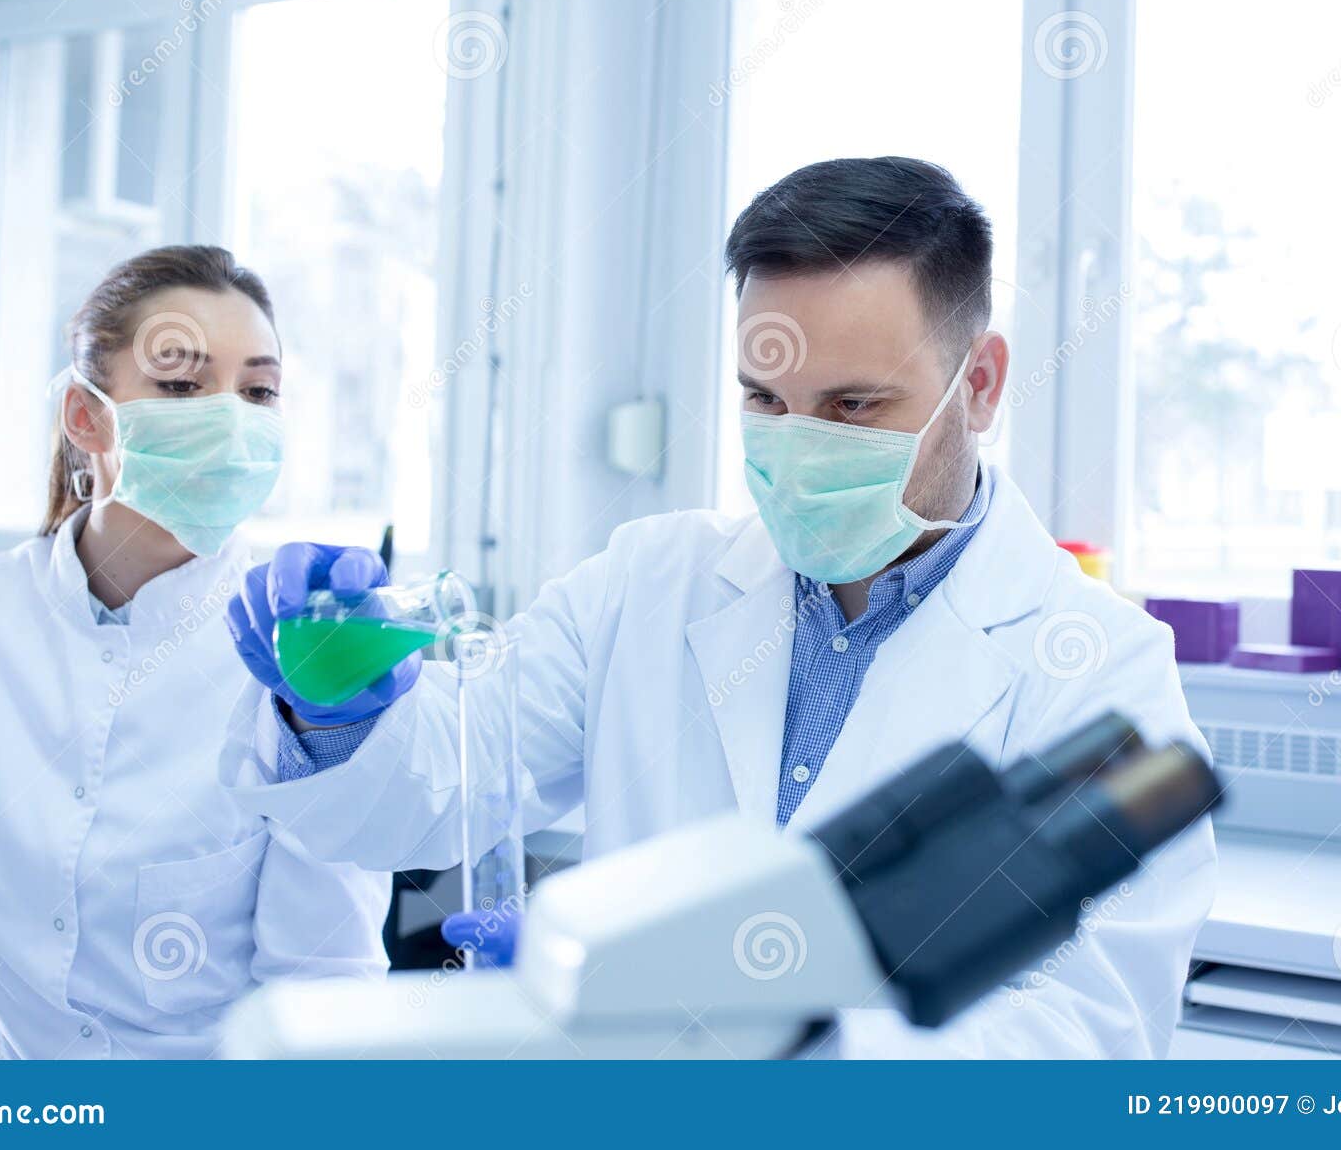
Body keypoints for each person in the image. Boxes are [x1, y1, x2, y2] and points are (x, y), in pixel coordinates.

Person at [221, 158, 1217, 1058]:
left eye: (853, 407)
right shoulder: (649, 581)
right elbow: (441, 793)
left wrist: (767, 1038)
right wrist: (336, 714)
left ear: (983, 383)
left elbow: (1088, 1032)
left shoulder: (1097, 664)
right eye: (764, 401)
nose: (797, 443)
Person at [0, 246, 389, 1059]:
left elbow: (324, 991)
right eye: (183, 384)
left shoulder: (298, 649)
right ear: (87, 418)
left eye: (258, 390)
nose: (232, 419)